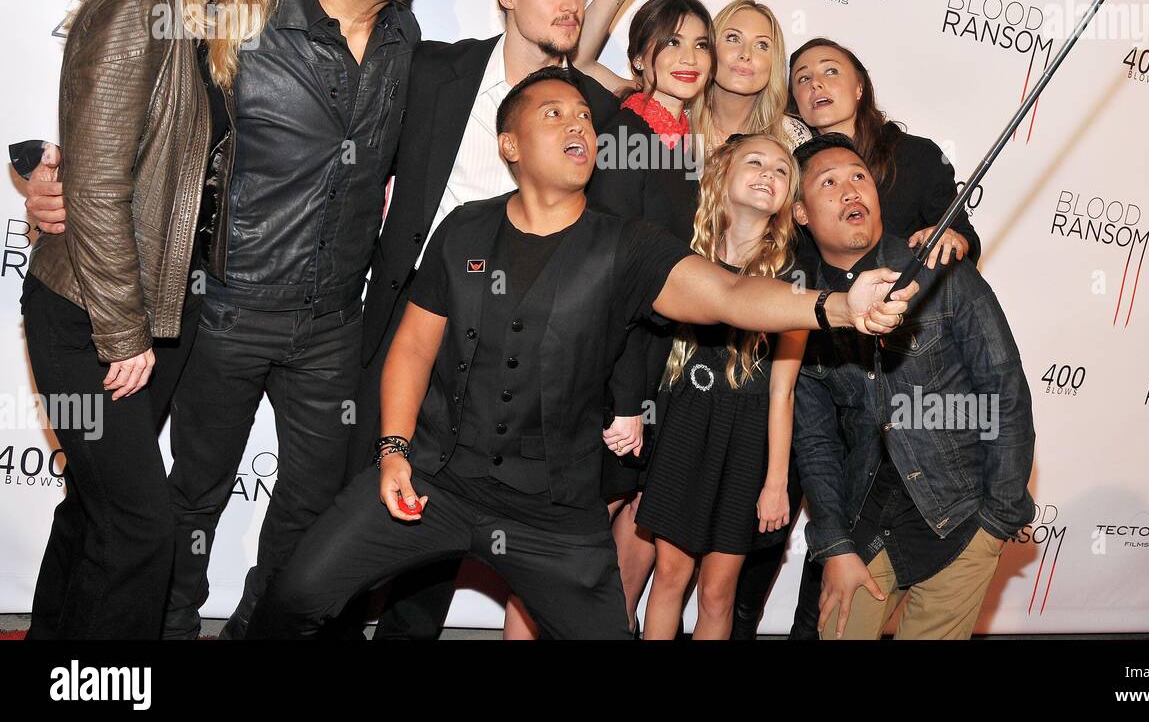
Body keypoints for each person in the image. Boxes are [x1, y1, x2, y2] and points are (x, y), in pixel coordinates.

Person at [244, 68, 916, 640]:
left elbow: (731, 295)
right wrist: (392, 450)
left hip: (554, 513)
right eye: (554, 112)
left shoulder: (627, 246)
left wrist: (836, 307)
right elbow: (414, 346)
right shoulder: (464, 229)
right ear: (510, 143)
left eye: (586, 118)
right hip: (434, 480)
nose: (579, 126)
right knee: (296, 591)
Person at [23, 0, 424, 640]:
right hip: (185, 309)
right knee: (155, 515)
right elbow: (103, 153)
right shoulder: (201, 9)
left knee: (124, 515)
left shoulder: (389, 40)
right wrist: (45, 178)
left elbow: (152, 143)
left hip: (301, 319)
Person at [18, 0, 284, 638]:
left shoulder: (202, 23)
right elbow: (96, 185)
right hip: (94, 317)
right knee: (141, 528)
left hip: (160, 317)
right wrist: (124, 330)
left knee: (99, 514)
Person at [357, 0, 619, 640]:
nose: (572, 2)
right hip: (408, 326)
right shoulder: (438, 69)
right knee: (353, 516)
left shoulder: (589, 109)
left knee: (437, 545)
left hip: (504, 360)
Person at [790, 133, 1034, 640]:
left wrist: (999, 518)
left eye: (859, 177)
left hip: (962, 515)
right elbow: (815, 441)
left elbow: (1004, 388)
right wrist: (834, 542)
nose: (851, 191)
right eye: (829, 183)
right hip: (865, 525)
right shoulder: (800, 307)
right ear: (800, 213)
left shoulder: (938, 270)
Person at [637, 134, 805, 639]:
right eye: (755, 161)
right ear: (721, 175)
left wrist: (776, 482)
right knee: (669, 575)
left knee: (717, 591)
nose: (767, 174)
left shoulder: (795, 278)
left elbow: (783, 391)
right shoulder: (683, 253)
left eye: (780, 171)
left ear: (787, 199)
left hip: (747, 442)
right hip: (683, 427)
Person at [584, 0, 713, 634]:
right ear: (640, 57)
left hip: (662, 365)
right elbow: (614, 280)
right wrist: (625, 399)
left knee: (631, 515)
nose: (689, 58)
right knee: (568, 535)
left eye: (700, 44)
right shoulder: (626, 134)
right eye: (671, 44)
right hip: (614, 368)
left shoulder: (686, 144)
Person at [788, 37, 980, 267]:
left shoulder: (917, 156)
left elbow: (965, 239)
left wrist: (951, 239)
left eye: (830, 71)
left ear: (859, 87)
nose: (815, 84)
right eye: (803, 78)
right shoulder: (789, 172)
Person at [689, 0, 811, 153]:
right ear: (711, 47)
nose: (746, 54)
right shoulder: (674, 126)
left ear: (773, 62)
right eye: (733, 38)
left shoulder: (792, 137)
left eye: (762, 45)